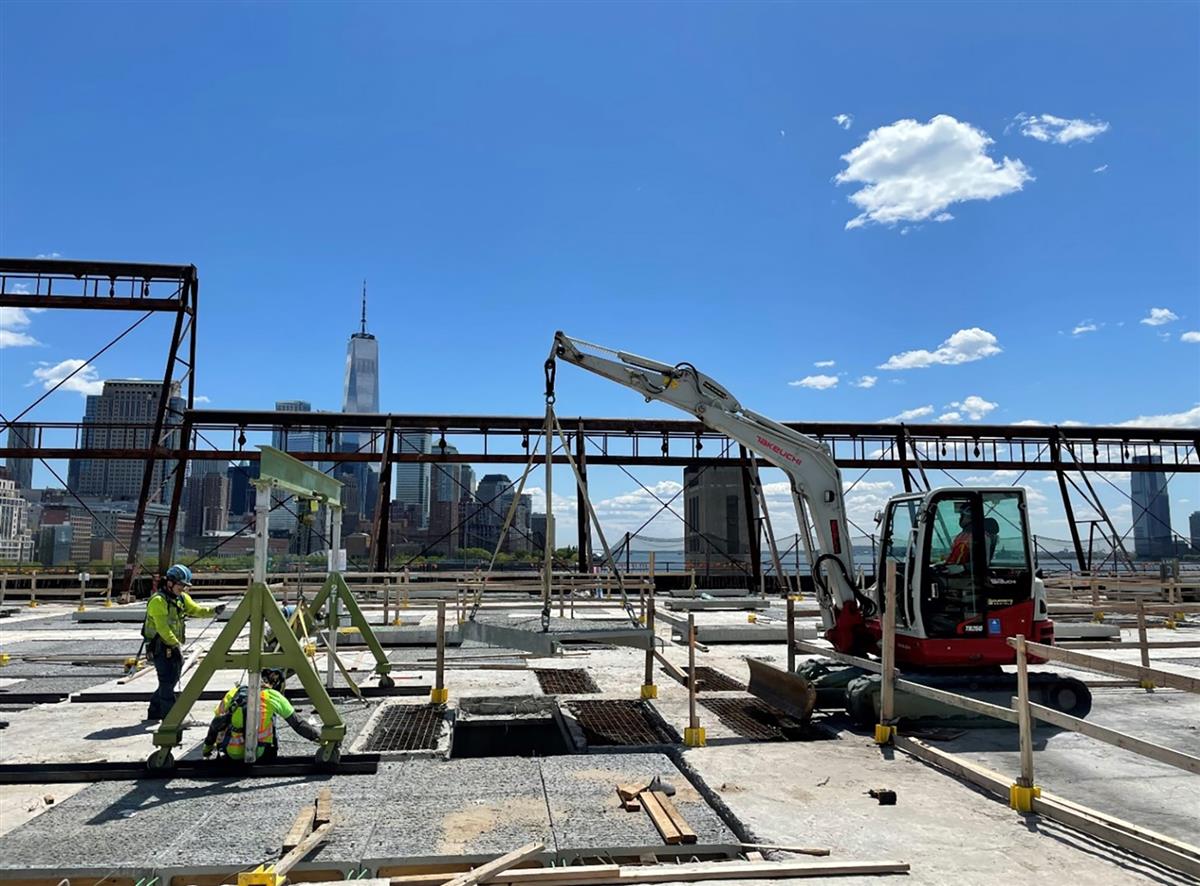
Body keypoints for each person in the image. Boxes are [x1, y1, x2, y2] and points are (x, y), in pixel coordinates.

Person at [142, 564, 226, 721]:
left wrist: (214, 611)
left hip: (172, 645)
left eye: (185, 586)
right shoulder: (158, 601)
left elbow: (197, 610)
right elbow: (163, 628)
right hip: (160, 647)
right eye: (181, 585)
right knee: (167, 682)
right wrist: (175, 646)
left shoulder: (181, 598)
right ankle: (171, 718)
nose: (183, 588)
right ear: (170, 582)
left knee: (170, 680)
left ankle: (154, 712)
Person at [202, 668, 321, 762]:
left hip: (230, 753)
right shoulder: (273, 695)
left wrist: (207, 749)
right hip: (262, 754)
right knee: (270, 714)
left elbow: (216, 722)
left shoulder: (234, 692)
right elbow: (298, 724)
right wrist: (320, 738)